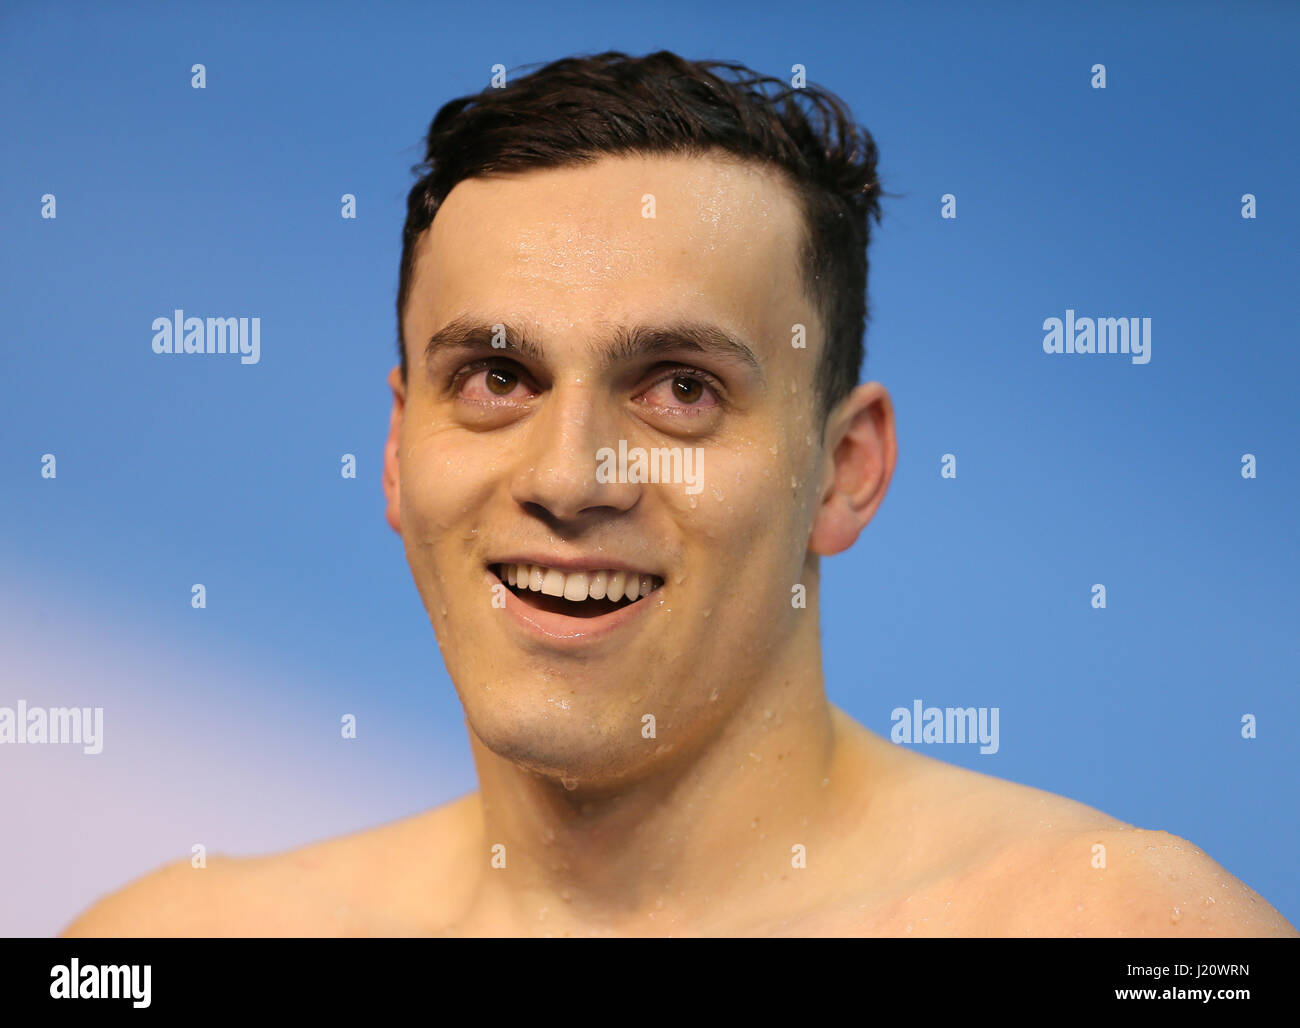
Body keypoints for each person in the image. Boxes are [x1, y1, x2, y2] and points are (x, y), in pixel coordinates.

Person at [64, 51, 1295, 938]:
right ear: (397, 446)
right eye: (496, 376)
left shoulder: (1128, 935)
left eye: (680, 390)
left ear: (845, 469)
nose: (567, 478)